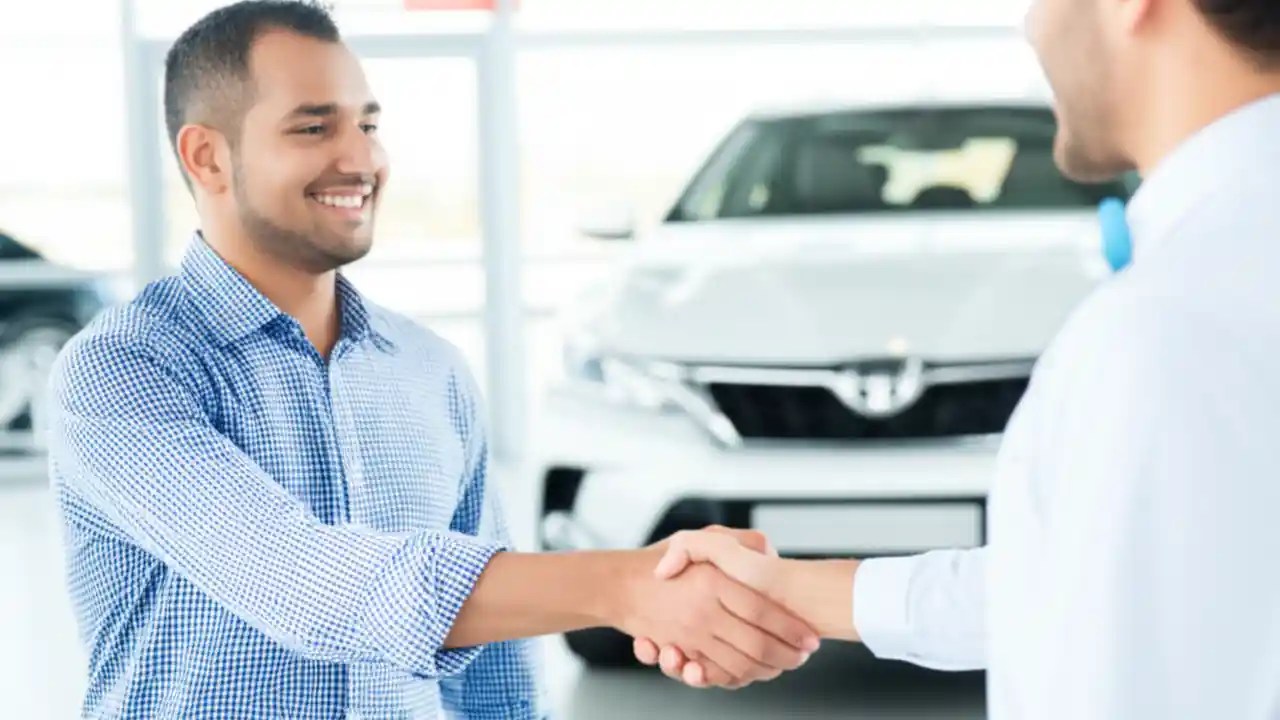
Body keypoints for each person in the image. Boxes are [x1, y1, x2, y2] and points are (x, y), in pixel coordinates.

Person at [46, 2, 818, 717]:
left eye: (368, 124)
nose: (361, 159)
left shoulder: (431, 370)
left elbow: (496, 676)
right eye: (314, 129)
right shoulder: (123, 372)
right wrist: (623, 585)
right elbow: (318, 591)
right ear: (207, 158)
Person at [637, 0, 1280, 716]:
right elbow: (1119, 581)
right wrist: (790, 591)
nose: (1032, 24)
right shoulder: (1226, 272)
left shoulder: (1162, 326)